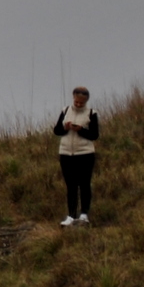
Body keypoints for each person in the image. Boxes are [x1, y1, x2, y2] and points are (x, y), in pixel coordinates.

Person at [53, 85, 99, 226]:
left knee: (84, 184)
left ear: (86, 101)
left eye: (81, 102)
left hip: (85, 153)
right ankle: (71, 216)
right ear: (73, 98)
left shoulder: (91, 113)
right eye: (76, 101)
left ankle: (84, 214)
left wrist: (81, 130)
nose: (78, 104)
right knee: (71, 185)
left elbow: (94, 135)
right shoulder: (65, 111)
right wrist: (65, 128)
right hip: (66, 153)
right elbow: (57, 131)